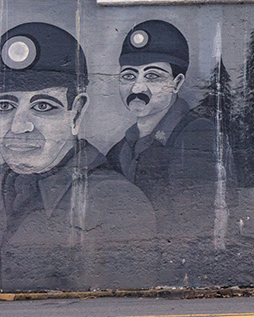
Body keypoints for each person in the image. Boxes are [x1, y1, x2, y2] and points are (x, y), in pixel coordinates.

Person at [0, 22, 155, 290]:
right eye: (4, 106)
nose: (18, 126)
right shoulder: (6, 183)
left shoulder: (117, 204)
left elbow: (115, 316)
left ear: (77, 112)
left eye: (43, 106)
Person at [107, 20, 224, 242]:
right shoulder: (118, 151)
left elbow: (199, 228)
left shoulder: (196, 137)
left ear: (177, 83)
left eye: (152, 76)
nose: (137, 88)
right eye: (129, 76)